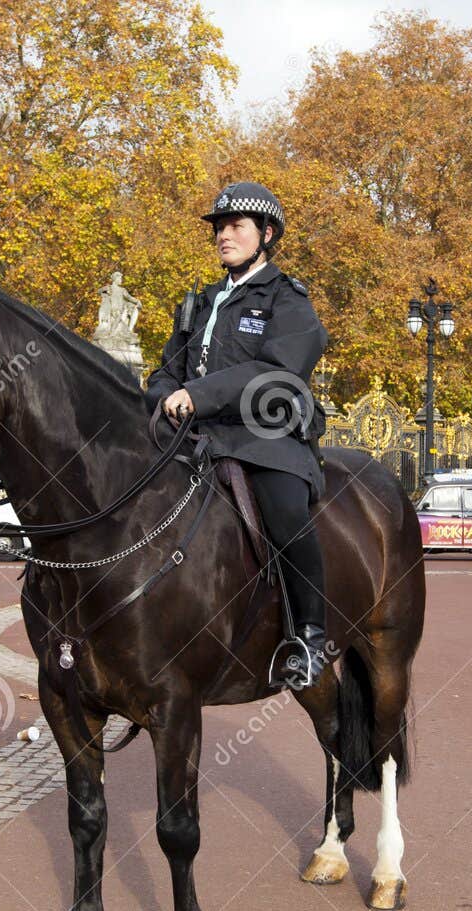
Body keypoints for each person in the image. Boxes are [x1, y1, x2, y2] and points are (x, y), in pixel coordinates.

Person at [144, 181, 331, 688]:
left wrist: (197, 395)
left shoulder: (288, 300)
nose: (223, 235)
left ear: (266, 234)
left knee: (286, 514)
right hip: (195, 434)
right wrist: (161, 395)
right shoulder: (201, 301)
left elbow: (276, 370)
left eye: (235, 226)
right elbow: (168, 368)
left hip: (263, 436)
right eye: (219, 228)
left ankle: (311, 636)